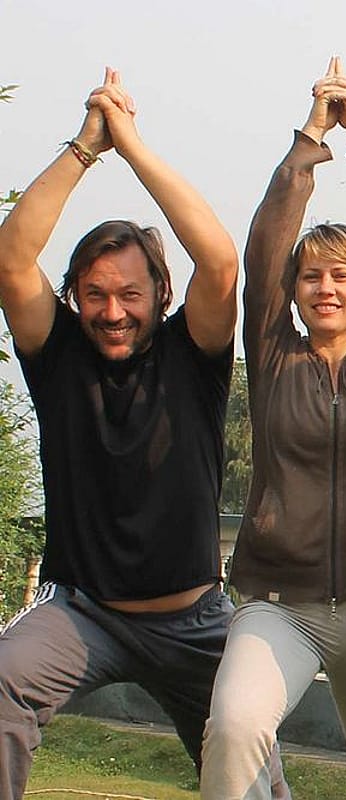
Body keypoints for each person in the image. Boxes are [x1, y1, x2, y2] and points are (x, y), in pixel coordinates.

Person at [0, 69, 283, 800]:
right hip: (80, 615)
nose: (113, 311)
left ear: (161, 292)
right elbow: (10, 258)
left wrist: (133, 146)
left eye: (130, 293)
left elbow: (221, 263)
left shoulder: (193, 357)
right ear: (73, 299)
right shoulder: (58, 355)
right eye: (94, 295)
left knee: (244, 752)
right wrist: (86, 149)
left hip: (197, 621)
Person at [199, 58, 346, 799]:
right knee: (233, 729)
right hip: (279, 604)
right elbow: (266, 244)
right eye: (310, 276)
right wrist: (310, 138)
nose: (325, 287)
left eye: (341, 276)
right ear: (293, 291)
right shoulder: (270, 352)